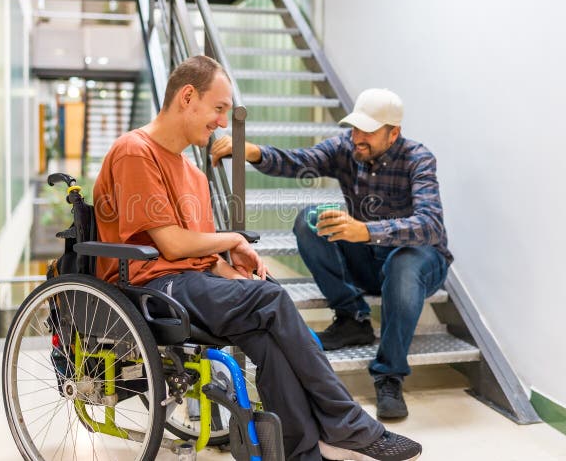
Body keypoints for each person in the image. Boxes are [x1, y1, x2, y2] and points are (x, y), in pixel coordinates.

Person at [94, 56, 422, 461]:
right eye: (218, 109)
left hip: (187, 283)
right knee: (271, 301)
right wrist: (231, 239)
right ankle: (350, 425)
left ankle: (301, 451)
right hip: (147, 285)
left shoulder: (194, 175)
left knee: (265, 318)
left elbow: (199, 255)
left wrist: (230, 269)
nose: (220, 122)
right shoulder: (135, 151)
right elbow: (174, 246)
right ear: (187, 96)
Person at [211, 88, 452, 420]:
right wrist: (252, 152)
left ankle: (389, 376)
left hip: (420, 262)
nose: (357, 138)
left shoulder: (418, 159)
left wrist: (366, 231)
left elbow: (431, 225)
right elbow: (300, 161)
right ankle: (353, 319)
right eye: (354, 128)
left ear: (393, 133)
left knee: (404, 260)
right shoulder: (346, 148)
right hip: (370, 258)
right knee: (310, 220)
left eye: (367, 131)